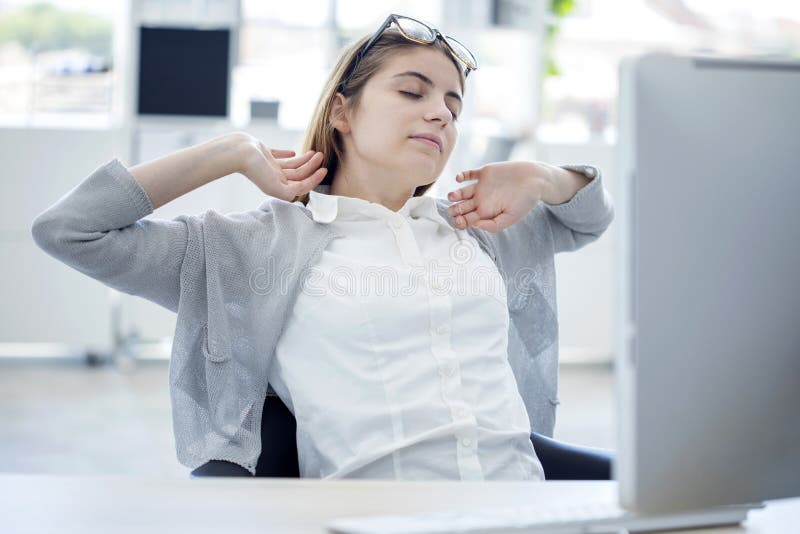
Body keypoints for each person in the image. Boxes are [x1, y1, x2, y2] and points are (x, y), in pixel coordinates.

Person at [31, 14, 614, 480]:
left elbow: (588, 219)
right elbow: (69, 230)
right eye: (413, 91)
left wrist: (544, 176)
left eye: (453, 107)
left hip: (523, 507)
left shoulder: (475, 226)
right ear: (342, 111)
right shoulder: (259, 247)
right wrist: (228, 152)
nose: (440, 112)